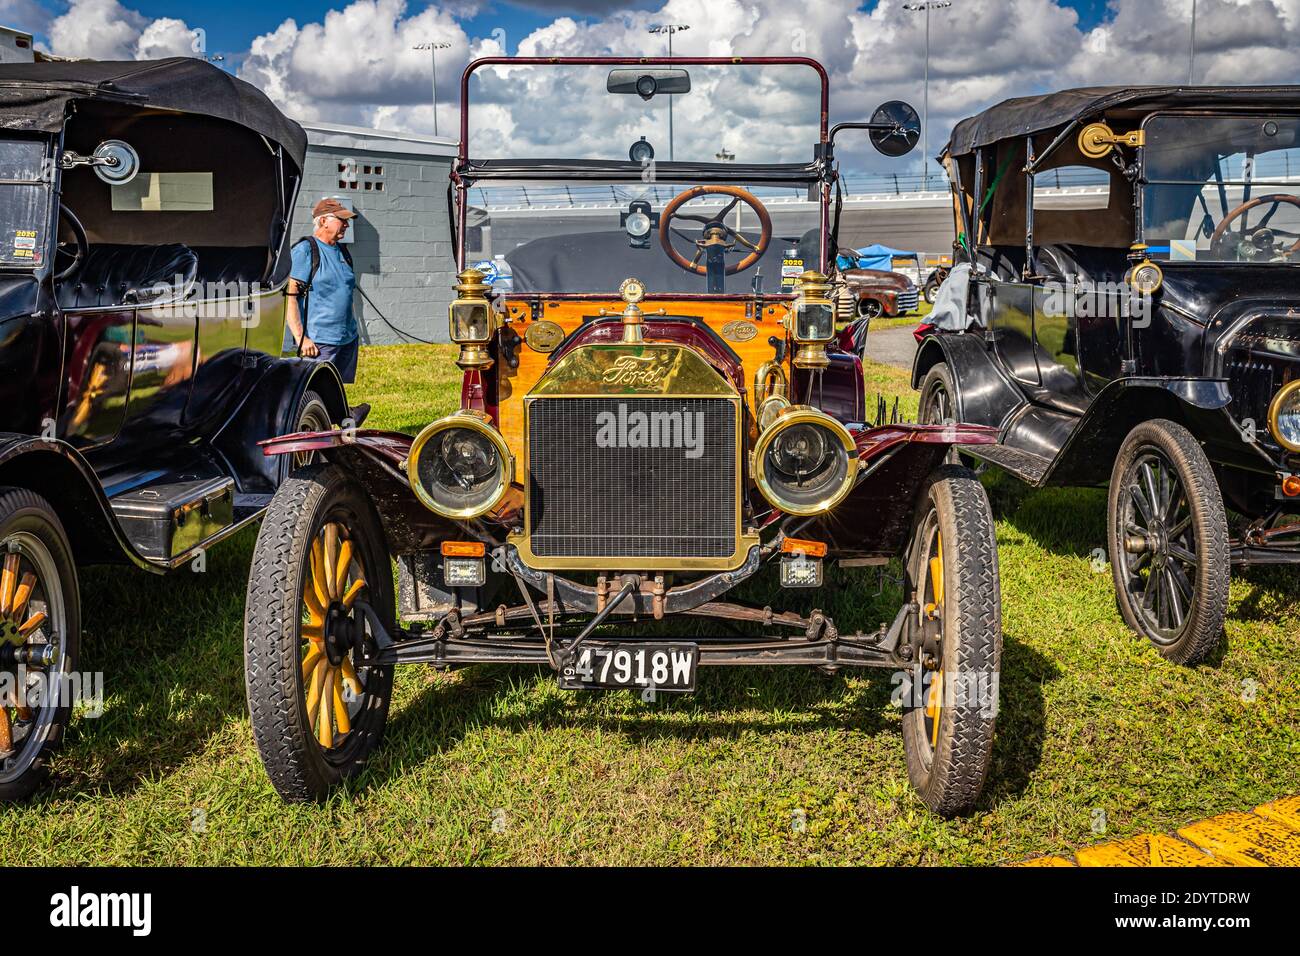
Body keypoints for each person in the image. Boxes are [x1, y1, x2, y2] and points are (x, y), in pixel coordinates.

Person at [286, 198, 360, 384]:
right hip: (320, 341)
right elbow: (290, 298)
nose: (346, 225)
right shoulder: (305, 250)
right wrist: (301, 338)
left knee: (337, 390)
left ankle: (340, 414)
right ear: (323, 221)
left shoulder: (343, 251)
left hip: (347, 337)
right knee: (315, 390)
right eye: (341, 220)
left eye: (347, 221)